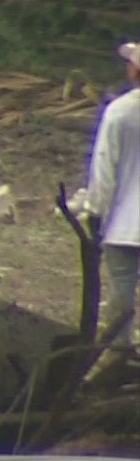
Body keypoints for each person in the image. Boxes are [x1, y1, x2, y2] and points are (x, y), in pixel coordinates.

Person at [84, 40, 140, 352]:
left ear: (134, 71)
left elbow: (104, 169)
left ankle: (119, 356)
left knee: (121, 296)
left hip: (124, 226)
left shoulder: (119, 113)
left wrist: (95, 212)